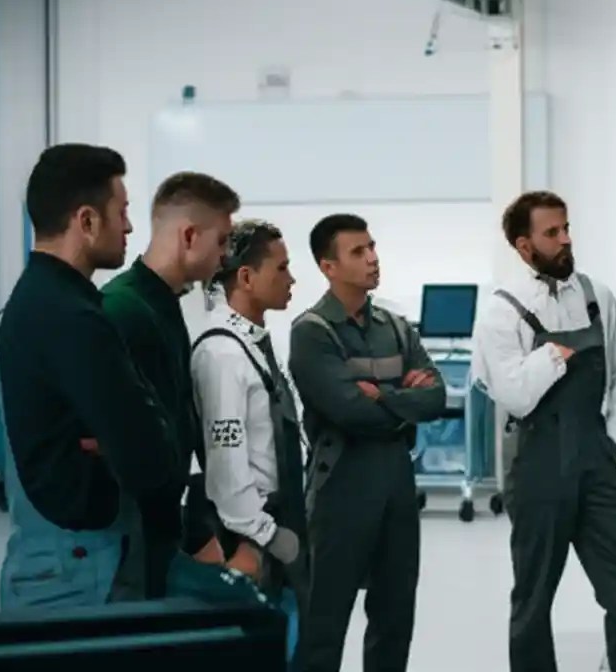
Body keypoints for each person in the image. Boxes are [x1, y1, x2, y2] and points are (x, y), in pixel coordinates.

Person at [469, 190, 616, 672]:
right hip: (538, 462)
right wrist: (553, 356)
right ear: (524, 246)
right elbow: (515, 394)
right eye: (553, 233)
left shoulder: (597, 296)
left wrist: (614, 435)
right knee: (533, 596)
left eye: (567, 228)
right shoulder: (501, 311)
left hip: (595, 457)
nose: (566, 240)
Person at [0, 143, 180, 607]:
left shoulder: (31, 300)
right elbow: (149, 456)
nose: (130, 226)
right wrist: (132, 437)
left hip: (56, 559)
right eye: (122, 211)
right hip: (82, 571)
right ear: (86, 221)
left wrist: (114, 441)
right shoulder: (73, 317)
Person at [287, 213, 447, 672]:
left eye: (373, 246)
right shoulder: (312, 331)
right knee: (326, 619)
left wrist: (385, 397)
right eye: (358, 251)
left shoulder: (396, 326)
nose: (373, 257)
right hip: (341, 484)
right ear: (328, 266)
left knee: (395, 614)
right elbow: (349, 411)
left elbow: (435, 397)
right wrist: (404, 402)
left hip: (396, 481)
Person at [94, 171, 240, 599]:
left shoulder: (162, 306)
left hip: (160, 532)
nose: (226, 256)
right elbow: (135, 444)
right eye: (222, 241)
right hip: (132, 538)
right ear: (190, 236)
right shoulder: (126, 311)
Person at [189, 219, 308, 664]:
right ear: (245, 277)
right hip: (254, 539)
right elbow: (225, 467)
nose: (291, 278)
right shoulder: (221, 354)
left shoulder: (255, 342)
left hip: (280, 526)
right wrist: (268, 539)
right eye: (282, 268)